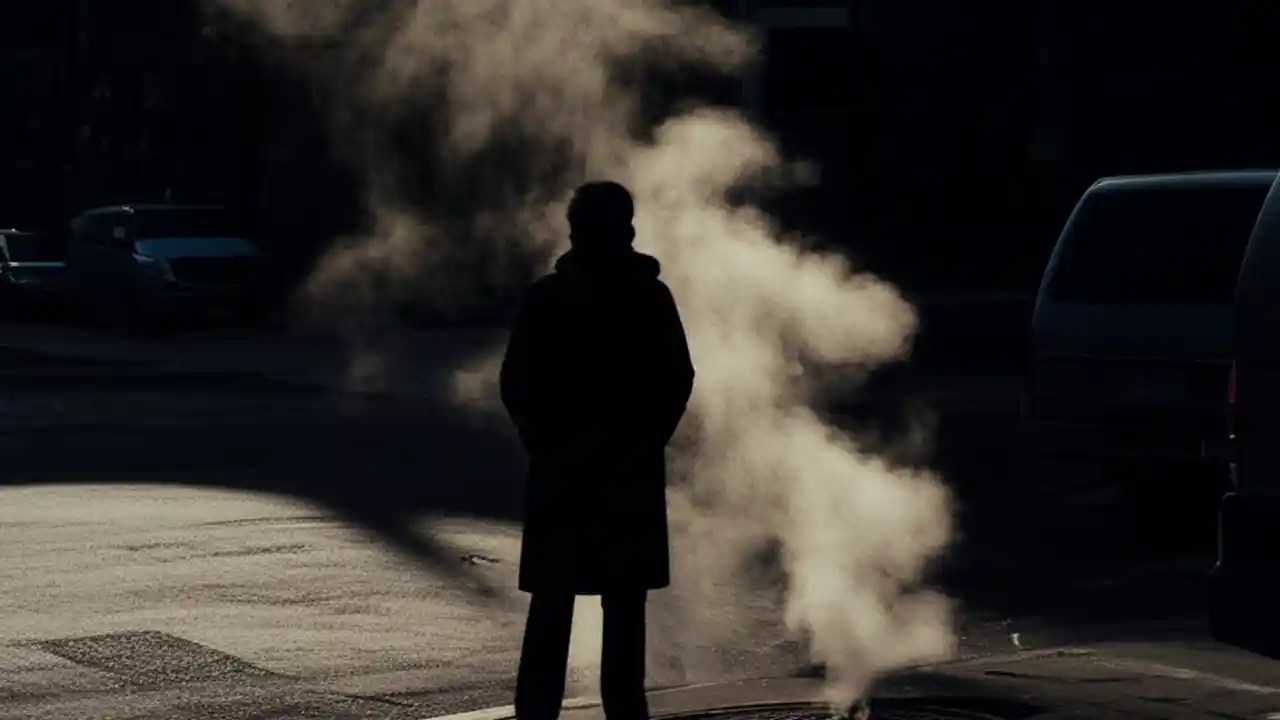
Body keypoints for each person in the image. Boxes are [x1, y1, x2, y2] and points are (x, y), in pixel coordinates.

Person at [500, 181, 695, 720]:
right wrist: (642, 441)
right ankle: (625, 715)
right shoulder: (649, 297)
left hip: (561, 473)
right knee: (625, 607)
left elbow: (516, 382)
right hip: (626, 474)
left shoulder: (547, 298)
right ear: (627, 229)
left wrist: (546, 444)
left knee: (552, 606)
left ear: (574, 230)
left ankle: (536, 715)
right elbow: (676, 378)